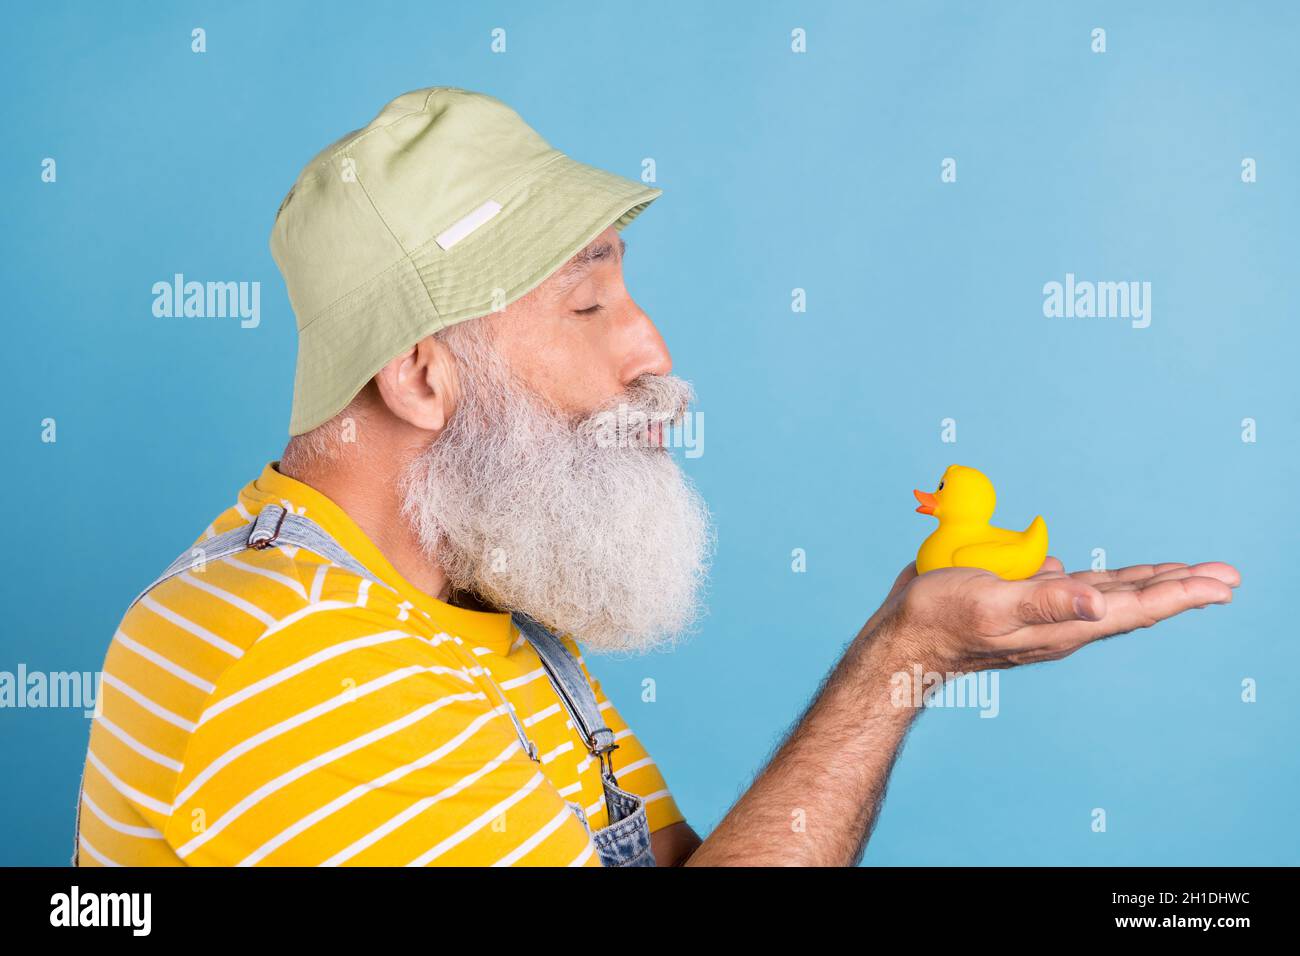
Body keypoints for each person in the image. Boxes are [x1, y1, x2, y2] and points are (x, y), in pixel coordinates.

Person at [75, 88, 1238, 867]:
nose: (649, 352)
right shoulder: (290, 663)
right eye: (584, 304)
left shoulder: (472, 594)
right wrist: (904, 658)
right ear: (420, 376)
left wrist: (904, 647)